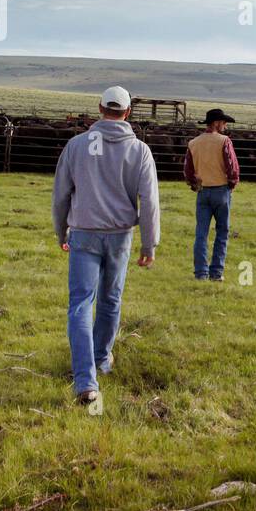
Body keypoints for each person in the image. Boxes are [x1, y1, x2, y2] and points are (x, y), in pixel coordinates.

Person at [53, 87, 160, 405]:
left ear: (99, 108)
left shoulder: (76, 145)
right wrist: (149, 243)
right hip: (120, 235)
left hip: (84, 232)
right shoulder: (140, 151)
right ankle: (101, 358)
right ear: (128, 113)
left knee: (81, 305)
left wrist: (61, 231)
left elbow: (61, 194)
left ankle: (86, 381)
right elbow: (150, 200)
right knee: (111, 300)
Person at [184, 108, 241, 281]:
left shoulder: (194, 143)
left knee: (201, 233)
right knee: (222, 231)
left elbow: (188, 170)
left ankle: (200, 273)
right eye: (223, 122)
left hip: (203, 192)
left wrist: (195, 185)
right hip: (221, 190)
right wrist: (232, 184)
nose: (225, 125)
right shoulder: (224, 141)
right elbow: (232, 167)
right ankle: (216, 272)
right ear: (216, 123)